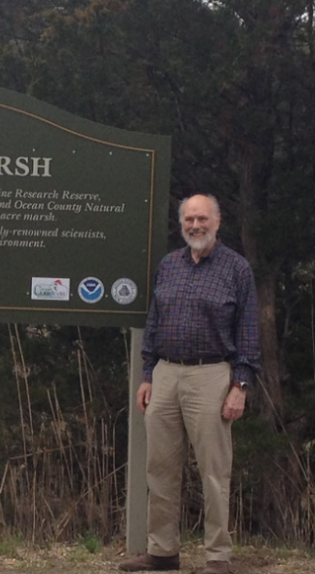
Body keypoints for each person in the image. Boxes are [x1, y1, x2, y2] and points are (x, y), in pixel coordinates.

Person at [119, 194, 260, 574]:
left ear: (217, 222)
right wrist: (148, 374)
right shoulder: (169, 265)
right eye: (188, 220)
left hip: (213, 375)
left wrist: (240, 385)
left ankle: (218, 556)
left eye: (202, 219)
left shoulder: (236, 269)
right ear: (182, 224)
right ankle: (162, 552)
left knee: (214, 472)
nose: (195, 226)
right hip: (165, 374)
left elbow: (247, 330)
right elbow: (154, 321)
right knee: (159, 468)